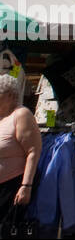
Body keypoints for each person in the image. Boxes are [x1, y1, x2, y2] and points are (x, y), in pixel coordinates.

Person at [0, 73, 40, 227]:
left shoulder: (21, 114)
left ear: (9, 95)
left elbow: (33, 152)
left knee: (7, 229)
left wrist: (26, 186)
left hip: (12, 185)